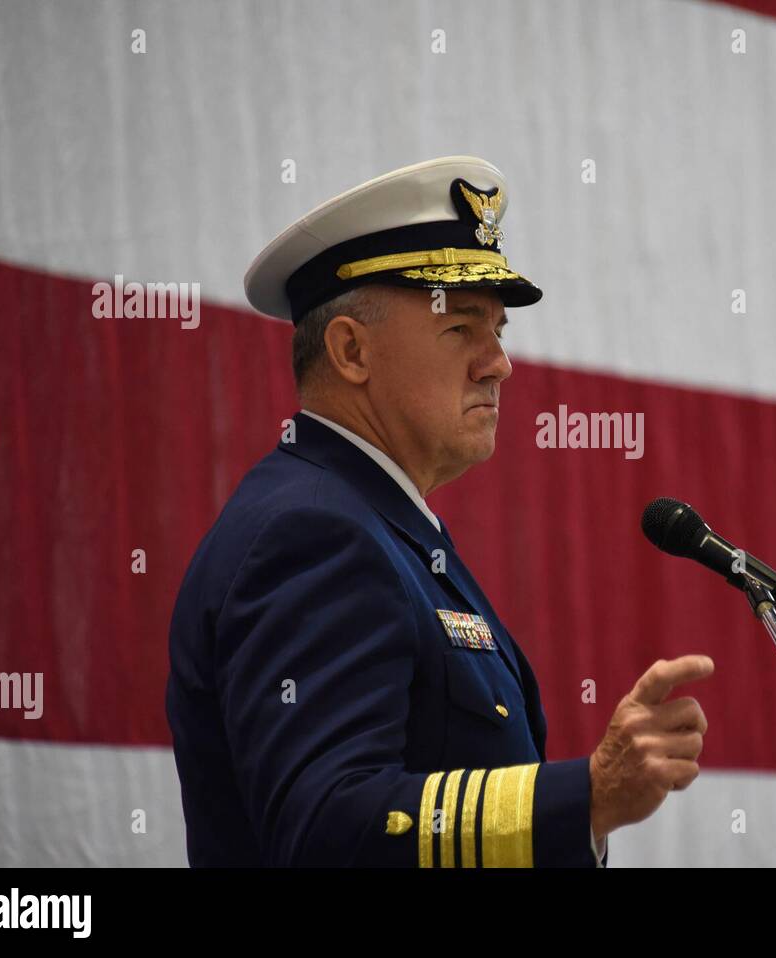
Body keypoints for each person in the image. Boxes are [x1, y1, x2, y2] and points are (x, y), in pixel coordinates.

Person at [166, 156, 714, 867]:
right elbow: (325, 832)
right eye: (460, 329)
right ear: (351, 350)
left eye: (499, 331)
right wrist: (588, 795)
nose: (498, 363)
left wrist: (581, 817)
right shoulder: (313, 534)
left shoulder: (374, 524)